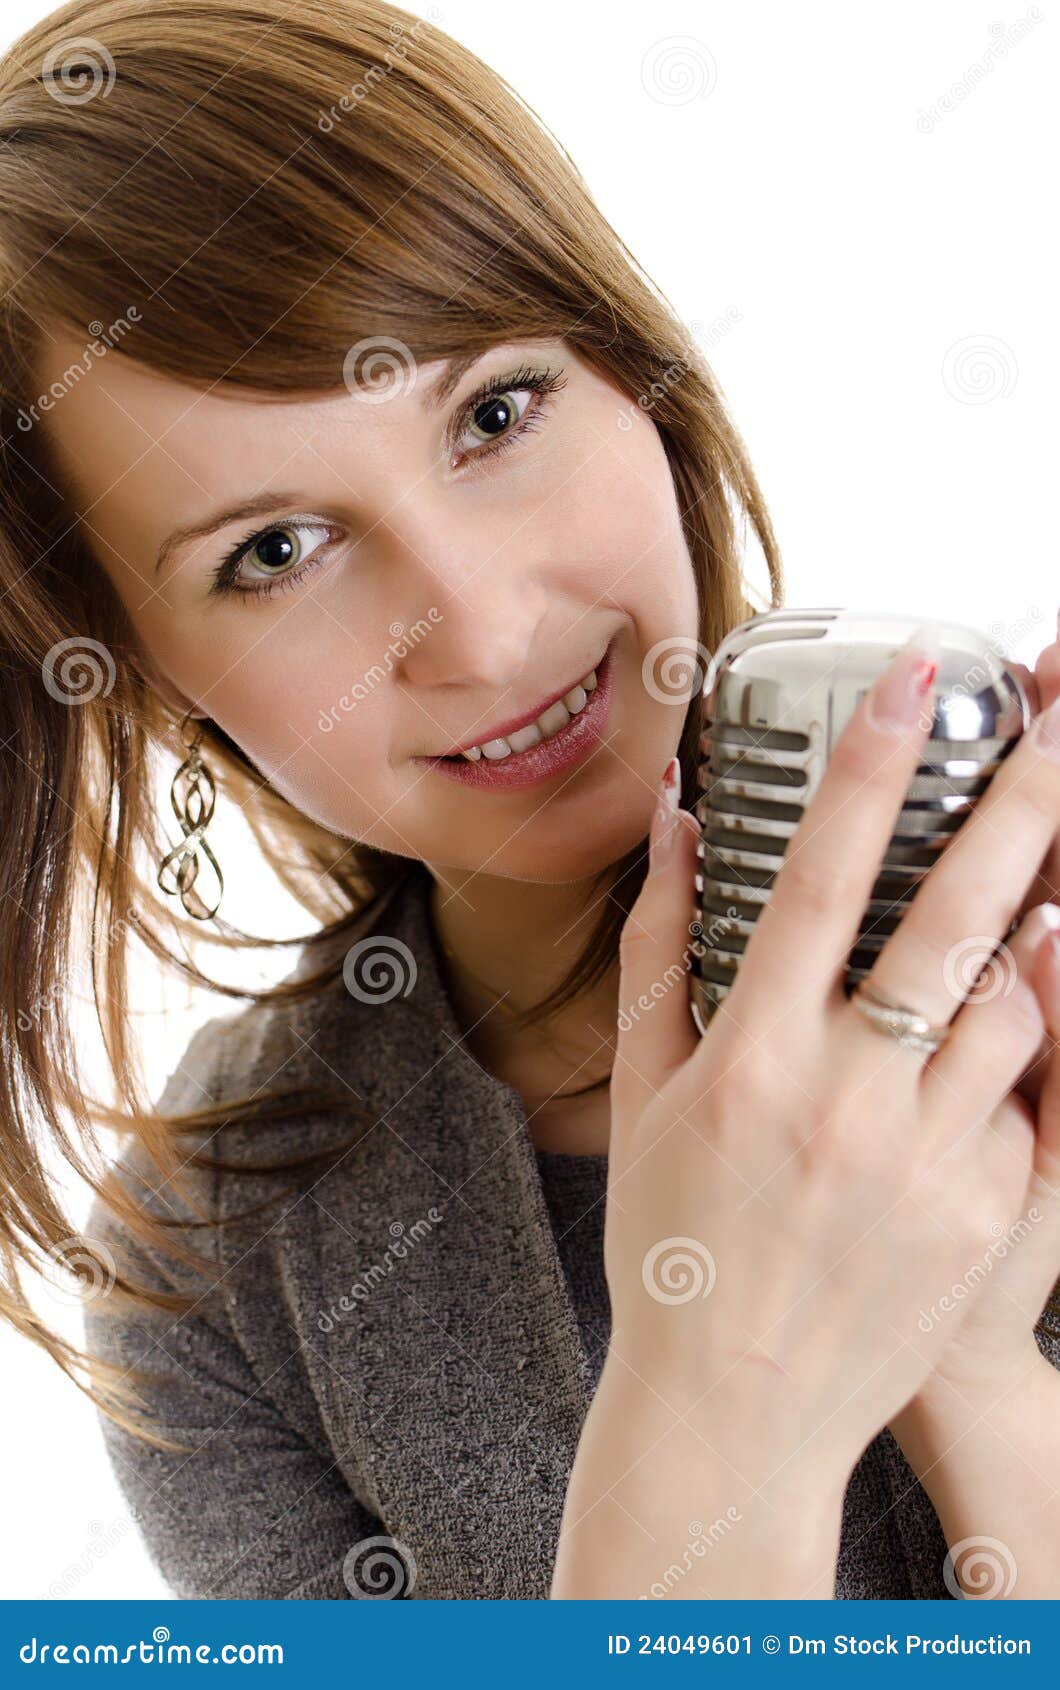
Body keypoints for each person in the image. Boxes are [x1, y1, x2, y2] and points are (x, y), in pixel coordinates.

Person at [0, 0, 1057, 1600]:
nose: (487, 630)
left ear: (633, 367)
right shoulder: (212, 1270)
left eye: (495, 411)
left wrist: (974, 1370)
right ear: (141, 676)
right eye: (273, 551)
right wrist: (723, 1397)